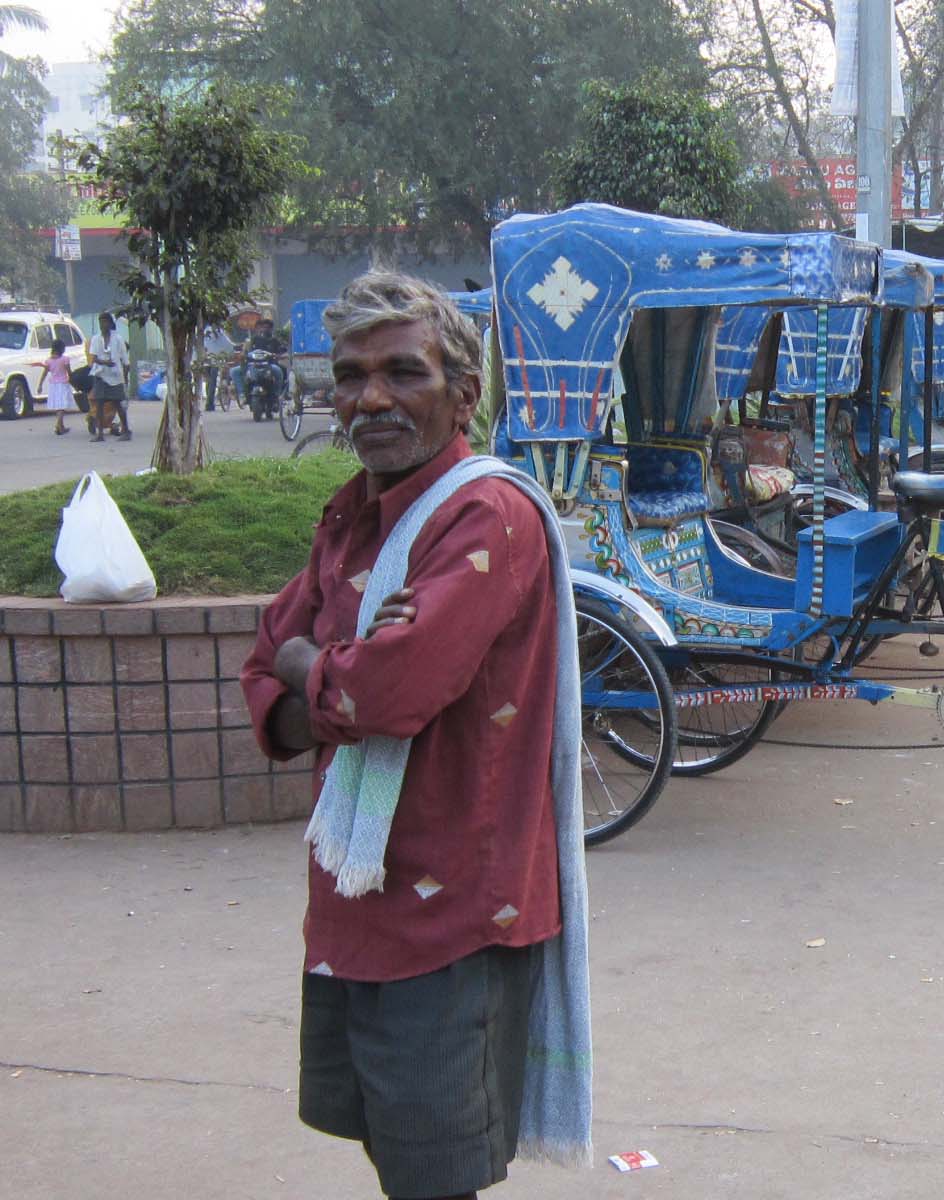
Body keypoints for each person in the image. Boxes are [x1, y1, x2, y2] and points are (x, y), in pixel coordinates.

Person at [239, 271, 591, 1199]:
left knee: (435, 1174)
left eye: (403, 372)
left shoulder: (486, 514)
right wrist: (332, 666)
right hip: (358, 899)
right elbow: (264, 667)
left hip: (454, 912)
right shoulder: (355, 513)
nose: (371, 399)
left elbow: (382, 696)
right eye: (350, 376)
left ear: (463, 394)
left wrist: (316, 666)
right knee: (398, 1155)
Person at [88, 312, 131, 441]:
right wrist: (105, 363)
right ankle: (100, 434)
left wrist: (125, 378)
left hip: (115, 376)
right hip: (101, 375)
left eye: (105, 322)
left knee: (118, 404)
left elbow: (125, 360)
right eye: (100, 322)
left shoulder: (118, 339)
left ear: (110, 323)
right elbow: (94, 358)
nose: (102, 325)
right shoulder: (96, 339)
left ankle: (126, 431)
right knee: (99, 404)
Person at [229, 316, 287, 410]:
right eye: (263, 327)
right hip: (252, 365)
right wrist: (243, 355)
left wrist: (278, 355)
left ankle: (276, 396)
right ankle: (242, 394)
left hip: (269, 366)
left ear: (271, 329)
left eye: (267, 327)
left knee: (279, 371)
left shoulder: (275, 341)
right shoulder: (253, 340)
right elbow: (245, 351)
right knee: (234, 371)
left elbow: (282, 351)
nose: (265, 329)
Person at [42, 339, 75, 435]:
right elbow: (69, 372)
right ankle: (59, 425)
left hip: (53, 385)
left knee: (58, 406)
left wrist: (40, 384)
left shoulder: (48, 361)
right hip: (63, 384)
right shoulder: (65, 359)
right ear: (61, 349)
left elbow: (44, 373)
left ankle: (61, 426)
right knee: (62, 406)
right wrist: (74, 381)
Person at [202, 323, 236, 410]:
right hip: (214, 360)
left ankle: (210, 401)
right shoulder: (219, 332)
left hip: (207, 360)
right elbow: (229, 345)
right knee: (212, 381)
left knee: (210, 381)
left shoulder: (204, 332)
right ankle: (210, 403)